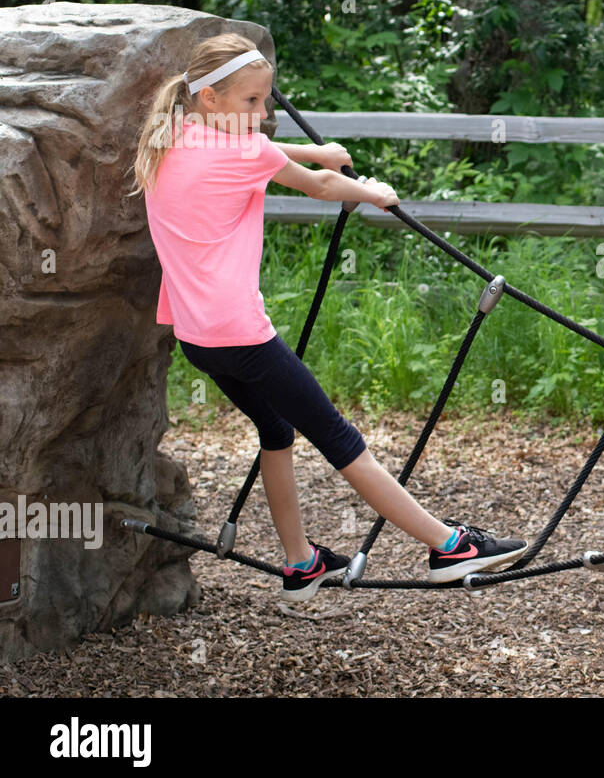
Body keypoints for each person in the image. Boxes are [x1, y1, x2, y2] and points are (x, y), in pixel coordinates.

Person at [128, 32, 527, 599]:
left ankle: (301, 562)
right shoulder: (243, 152)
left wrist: (317, 152)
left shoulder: (171, 138)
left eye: (267, 101)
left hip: (197, 337)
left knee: (276, 429)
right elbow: (315, 186)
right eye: (251, 102)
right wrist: (369, 191)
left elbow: (275, 156)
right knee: (339, 439)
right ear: (211, 99)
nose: (263, 113)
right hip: (241, 333)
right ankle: (448, 547)